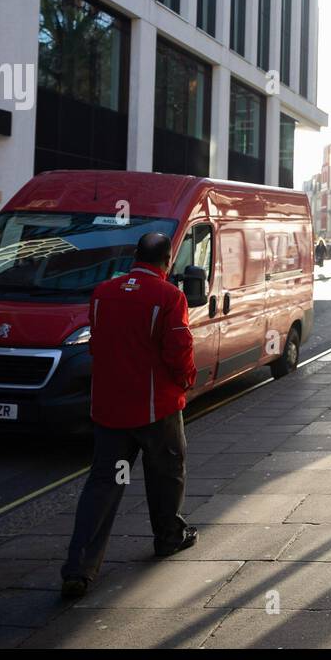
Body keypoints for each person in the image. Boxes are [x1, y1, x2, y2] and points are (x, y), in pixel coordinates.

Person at [61, 232, 198, 599]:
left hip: (109, 409)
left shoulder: (103, 292)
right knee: (167, 474)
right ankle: (168, 537)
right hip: (157, 408)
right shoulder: (170, 296)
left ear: (135, 256)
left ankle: (79, 568)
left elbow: (96, 344)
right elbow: (179, 348)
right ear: (167, 261)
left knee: (102, 486)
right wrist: (186, 381)